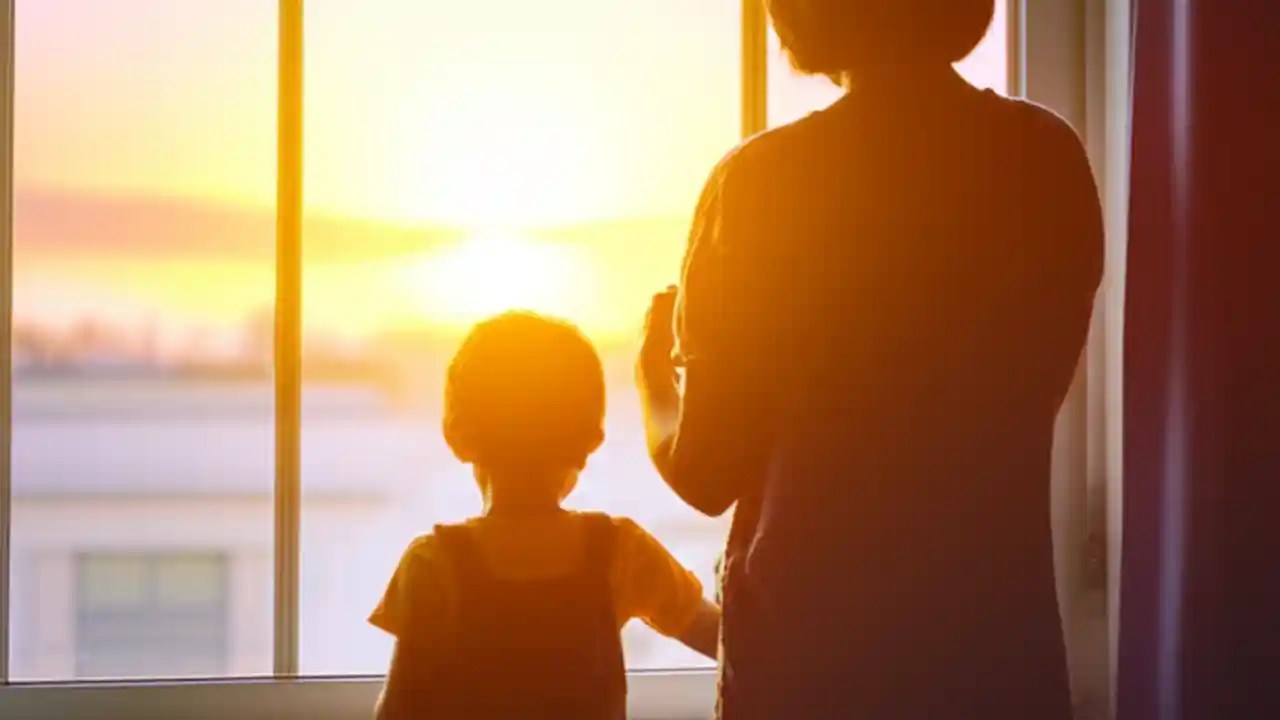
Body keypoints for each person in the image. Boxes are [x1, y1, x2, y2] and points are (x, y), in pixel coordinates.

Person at [637, 1, 1104, 717]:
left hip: (813, 657)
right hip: (990, 642)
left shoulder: (762, 181)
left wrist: (653, 383)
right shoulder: (1044, 154)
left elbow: (704, 474)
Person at [372, 311, 720, 719]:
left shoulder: (431, 566)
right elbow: (729, 641)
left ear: (457, 434)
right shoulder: (622, 550)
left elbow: (399, 710)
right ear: (591, 438)